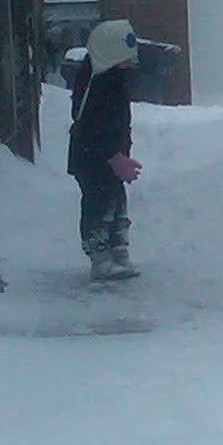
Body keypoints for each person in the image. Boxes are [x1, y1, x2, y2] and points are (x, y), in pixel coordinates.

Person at [68, 19, 144, 280]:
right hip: (92, 157)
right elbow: (92, 125)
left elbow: (120, 122)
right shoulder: (96, 83)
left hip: (113, 156)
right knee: (99, 204)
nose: (129, 65)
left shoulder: (117, 80)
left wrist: (123, 153)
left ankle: (118, 248)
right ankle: (99, 256)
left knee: (117, 203)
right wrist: (113, 155)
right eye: (124, 59)